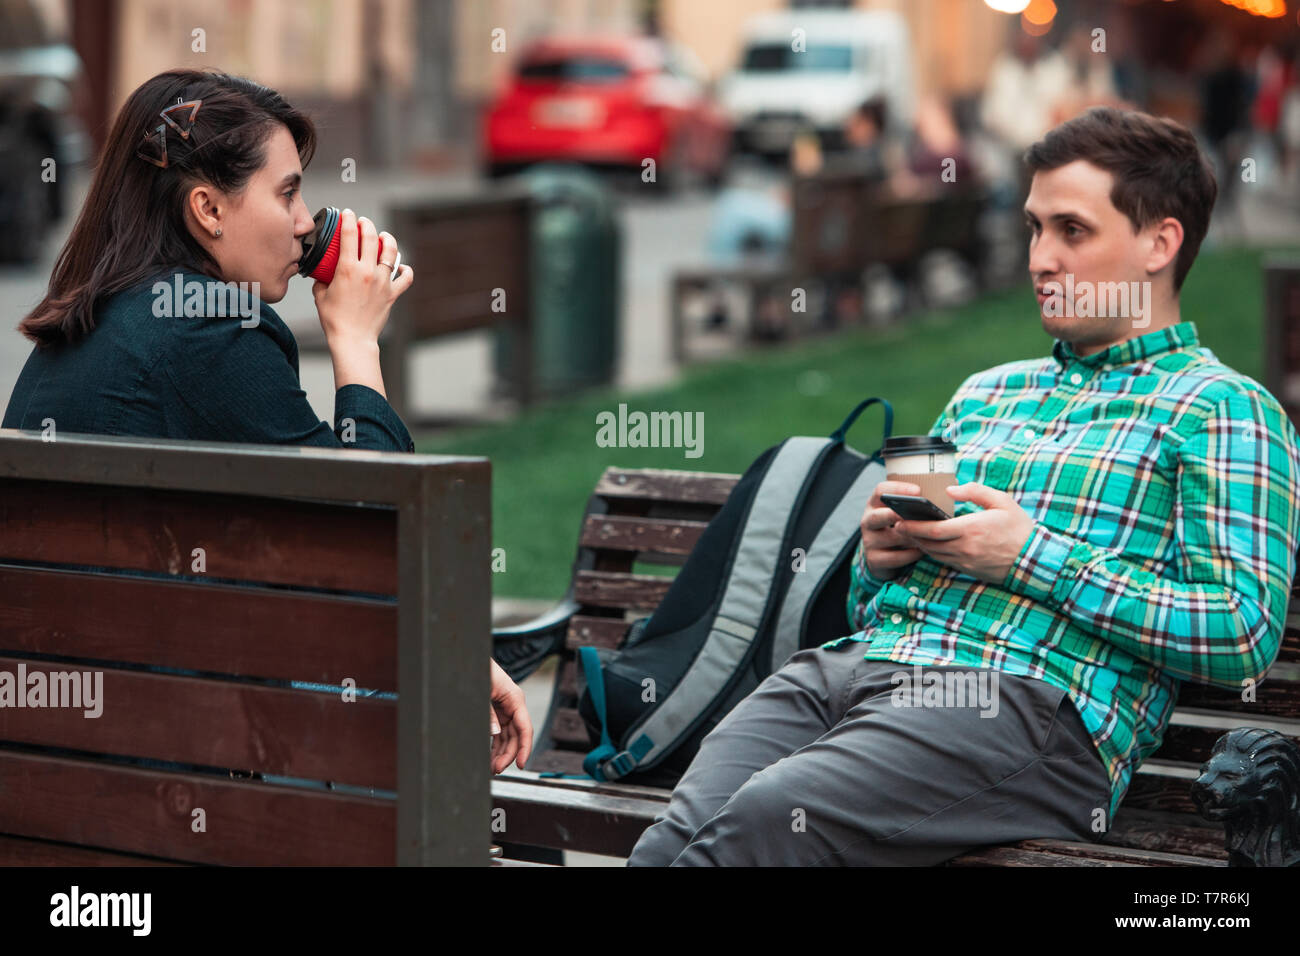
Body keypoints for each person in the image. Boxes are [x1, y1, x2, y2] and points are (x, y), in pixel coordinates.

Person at [628, 106, 1300, 866]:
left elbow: (1240, 633)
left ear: (1159, 242)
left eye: (1072, 231)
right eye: (1035, 228)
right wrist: (880, 559)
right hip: (849, 673)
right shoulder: (987, 392)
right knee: (674, 843)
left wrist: (1029, 557)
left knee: (768, 825)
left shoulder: (1224, 410)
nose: (1041, 258)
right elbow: (867, 604)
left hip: (1023, 709)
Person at [1, 68, 532, 776]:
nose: (308, 220)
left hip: (66, 761)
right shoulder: (208, 330)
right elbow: (372, 541)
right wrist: (356, 342)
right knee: (439, 729)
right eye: (286, 192)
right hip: (182, 771)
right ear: (208, 210)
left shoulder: (89, 322)